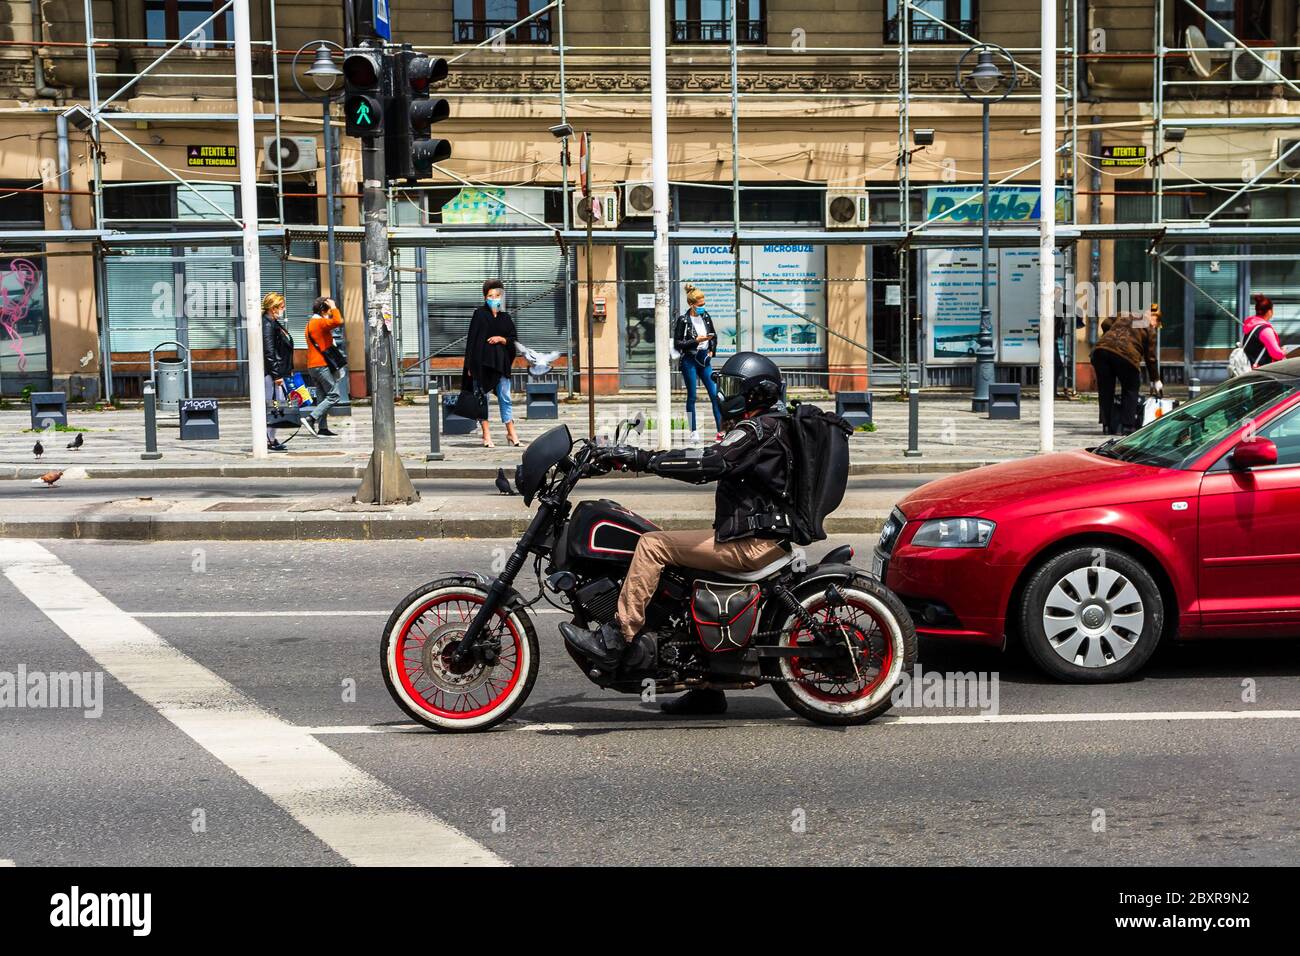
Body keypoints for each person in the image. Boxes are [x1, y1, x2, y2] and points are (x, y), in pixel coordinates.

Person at [560, 351, 795, 716]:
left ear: (755, 393)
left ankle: (617, 637)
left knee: (653, 545)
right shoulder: (766, 426)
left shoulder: (758, 430)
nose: (723, 393)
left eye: (732, 387)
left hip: (753, 544)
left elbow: (707, 463)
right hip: (750, 535)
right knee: (668, 553)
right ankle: (705, 688)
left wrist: (640, 459)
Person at [463, 279, 520, 448]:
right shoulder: (479, 314)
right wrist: (470, 365)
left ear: (501, 297)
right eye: (490, 295)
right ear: (485, 297)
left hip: (501, 364)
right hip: (481, 364)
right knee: (482, 398)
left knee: (505, 396)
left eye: (497, 295)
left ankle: (511, 432)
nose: (494, 298)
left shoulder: (505, 317)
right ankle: (486, 434)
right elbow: (472, 340)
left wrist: (501, 339)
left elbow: (513, 340)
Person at [1091, 306, 1162, 436]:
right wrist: (1155, 379)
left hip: (1101, 351)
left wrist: (1110, 336)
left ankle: (1107, 425)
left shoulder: (1123, 314)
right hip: (1126, 356)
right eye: (1156, 322)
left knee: (1105, 390)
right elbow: (1150, 358)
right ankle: (1127, 426)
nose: (1155, 324)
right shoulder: (1150, 329)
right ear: (1155, 321)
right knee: (1131, 388)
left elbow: (1105, 323)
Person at [673, 283, 722, 441]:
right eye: (700, 305)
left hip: (704, 359)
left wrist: (712, 349)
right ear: (691, 304)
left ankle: (721, 430)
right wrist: (696, 341)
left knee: (715, 394)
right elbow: (678, 344)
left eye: (704, 304)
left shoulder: (706, 316)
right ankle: (693, 430)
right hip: (690, 360)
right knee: (692, 396)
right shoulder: (683, 320)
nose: (702, 307)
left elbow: (713, 336)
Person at [301, 295, 344, 437]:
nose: (331, 313)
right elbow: (338, 321)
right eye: (329, 310)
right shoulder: (319, 323)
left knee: (322, 397)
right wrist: (333, 306)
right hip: (322, 365)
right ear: (324, 310)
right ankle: (311, 418)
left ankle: (323, 428)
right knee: (334, 395)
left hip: (312, 366)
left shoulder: (309, 324)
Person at [260, 291, 294, 452]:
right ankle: (268, 439)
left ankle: (271, 438)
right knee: (274, 405)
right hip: (272, 374)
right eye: (281, 306)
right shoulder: (267, 324)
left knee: (276, 405)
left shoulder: (272, 322)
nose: (284, 309)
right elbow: (269, 351)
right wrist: (277, 375)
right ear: (273, 308)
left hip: (277, 372)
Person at [1242, 294, 1287, 368]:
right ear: (1269, 311)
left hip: (1250, 369)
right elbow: (1276, 354)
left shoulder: (1250, 327)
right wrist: (1283, 352)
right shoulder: (1265, 330)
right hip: (1262, 372)